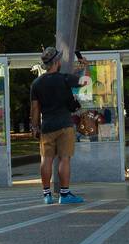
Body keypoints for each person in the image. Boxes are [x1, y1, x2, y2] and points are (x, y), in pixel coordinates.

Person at [30, 46, 87, 205]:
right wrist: (85, 66)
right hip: (65, 124)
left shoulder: (36, 84)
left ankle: (47, 194)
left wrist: (35, 127)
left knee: (46, 159)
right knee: (64, 159)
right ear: (56, 62)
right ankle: (64, 194)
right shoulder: (65, 78)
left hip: (47, 126)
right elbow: (85, 82)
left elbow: (35, 109)